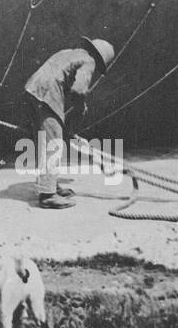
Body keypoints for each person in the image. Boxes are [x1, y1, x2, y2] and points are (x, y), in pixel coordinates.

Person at [23, 36, 115, 209]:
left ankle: (50, 185)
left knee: (45, 140)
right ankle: (47, 195)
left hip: (32, 90)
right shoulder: (89, 62)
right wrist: (81, 108)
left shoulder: (68, 53)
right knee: (53, 142)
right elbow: (79, 90)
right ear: (99, 60)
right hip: (47, 95)